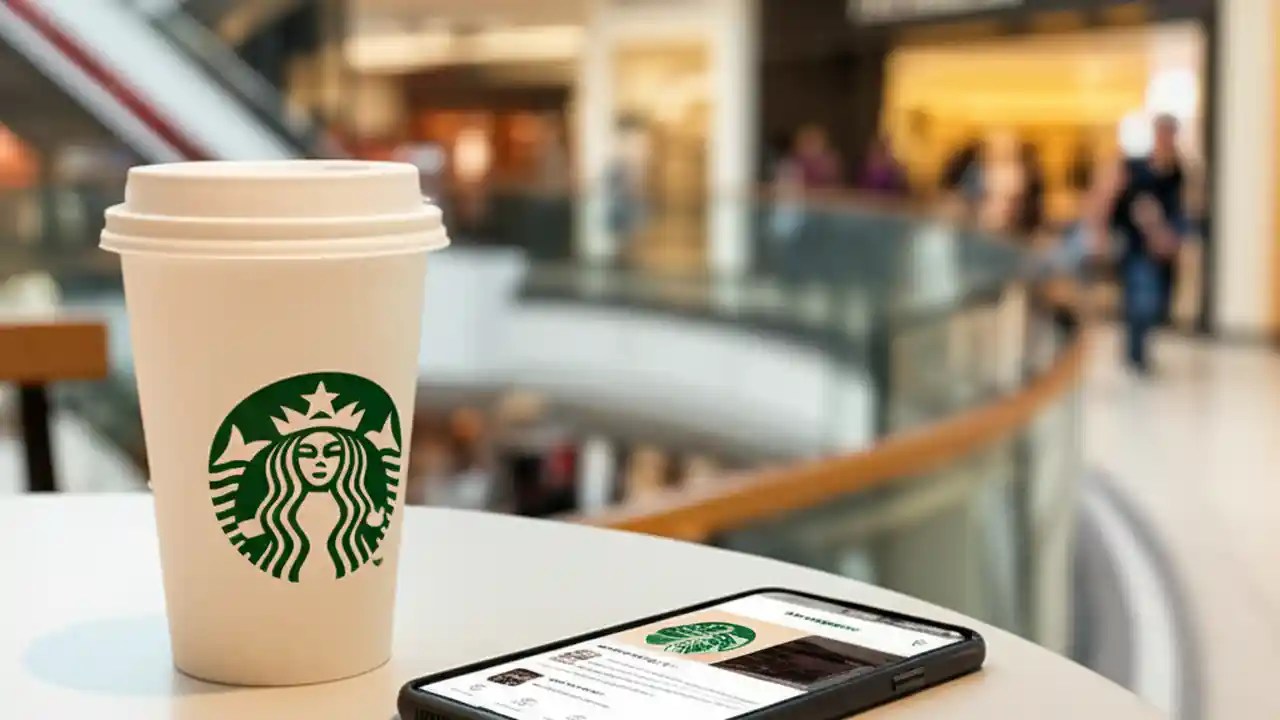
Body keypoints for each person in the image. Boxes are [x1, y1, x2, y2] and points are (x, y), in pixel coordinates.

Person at [1092, 114, 1188, 373]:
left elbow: (1182, 209)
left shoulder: (1178, 172)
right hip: (1136, 247)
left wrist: (1172, 236)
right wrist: (1100, 233)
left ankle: (1138, 351)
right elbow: (1108, 198)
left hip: (1164, 250)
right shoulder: (1134, 167)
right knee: (1142, 300)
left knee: (1158, 303)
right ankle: (1136, 355)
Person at [788, 124, 842, 190]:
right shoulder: (795, 159)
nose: (810, 144)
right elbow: (792, 181)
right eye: (806, 141)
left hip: (826, 192)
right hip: (803, 193)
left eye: (813, 141)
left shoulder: (829, 159)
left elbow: (832, 181)